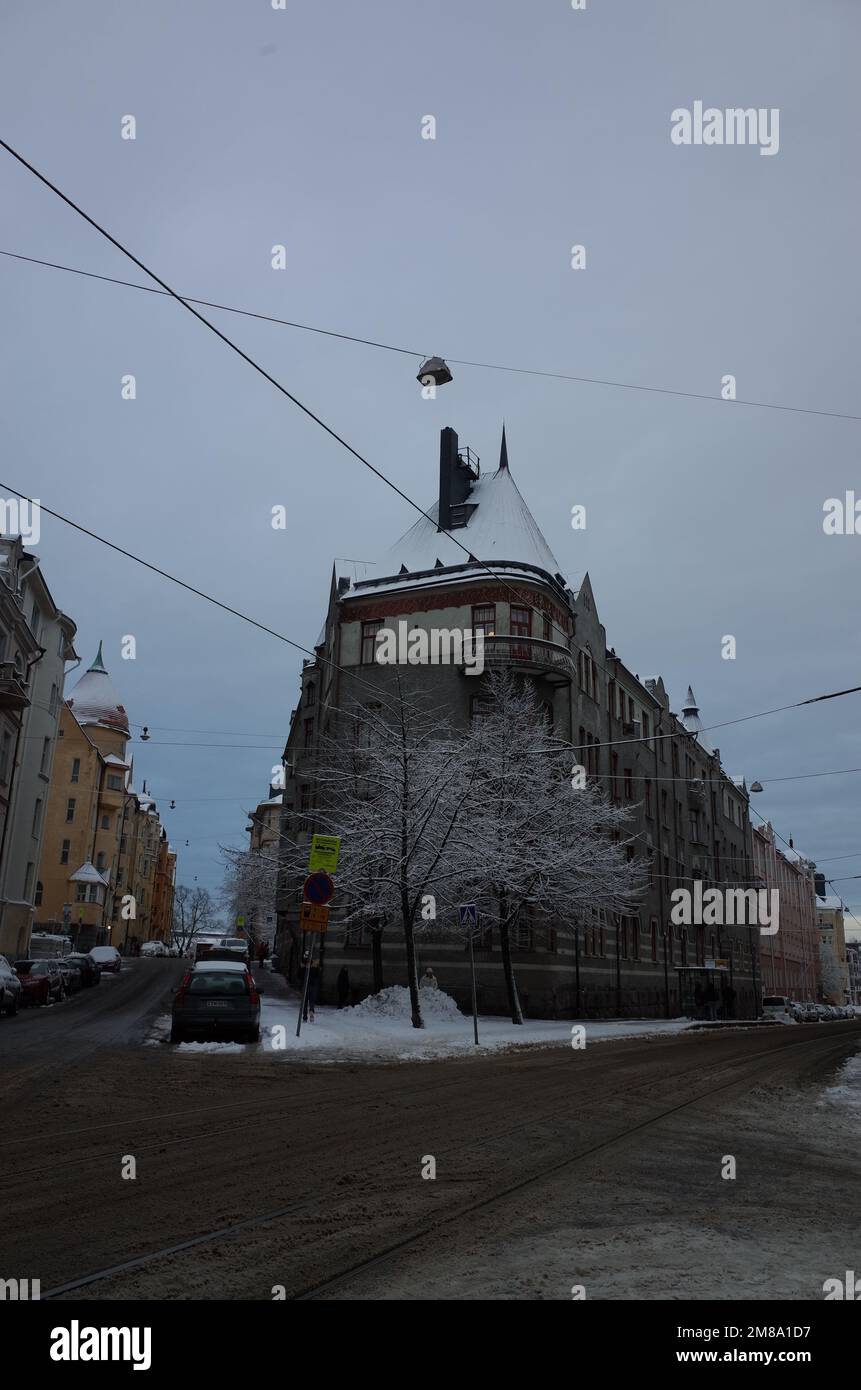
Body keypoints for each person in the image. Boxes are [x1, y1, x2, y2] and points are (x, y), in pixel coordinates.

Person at [303, 956, 321, 1022]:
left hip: (306, 987)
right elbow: (318, 978)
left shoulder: (307, 969)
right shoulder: (317, 969)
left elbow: (300, 976)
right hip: (313, 987)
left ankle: (305, 1017)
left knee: (305, 1003)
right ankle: (311, 1011)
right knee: (312, 1001)